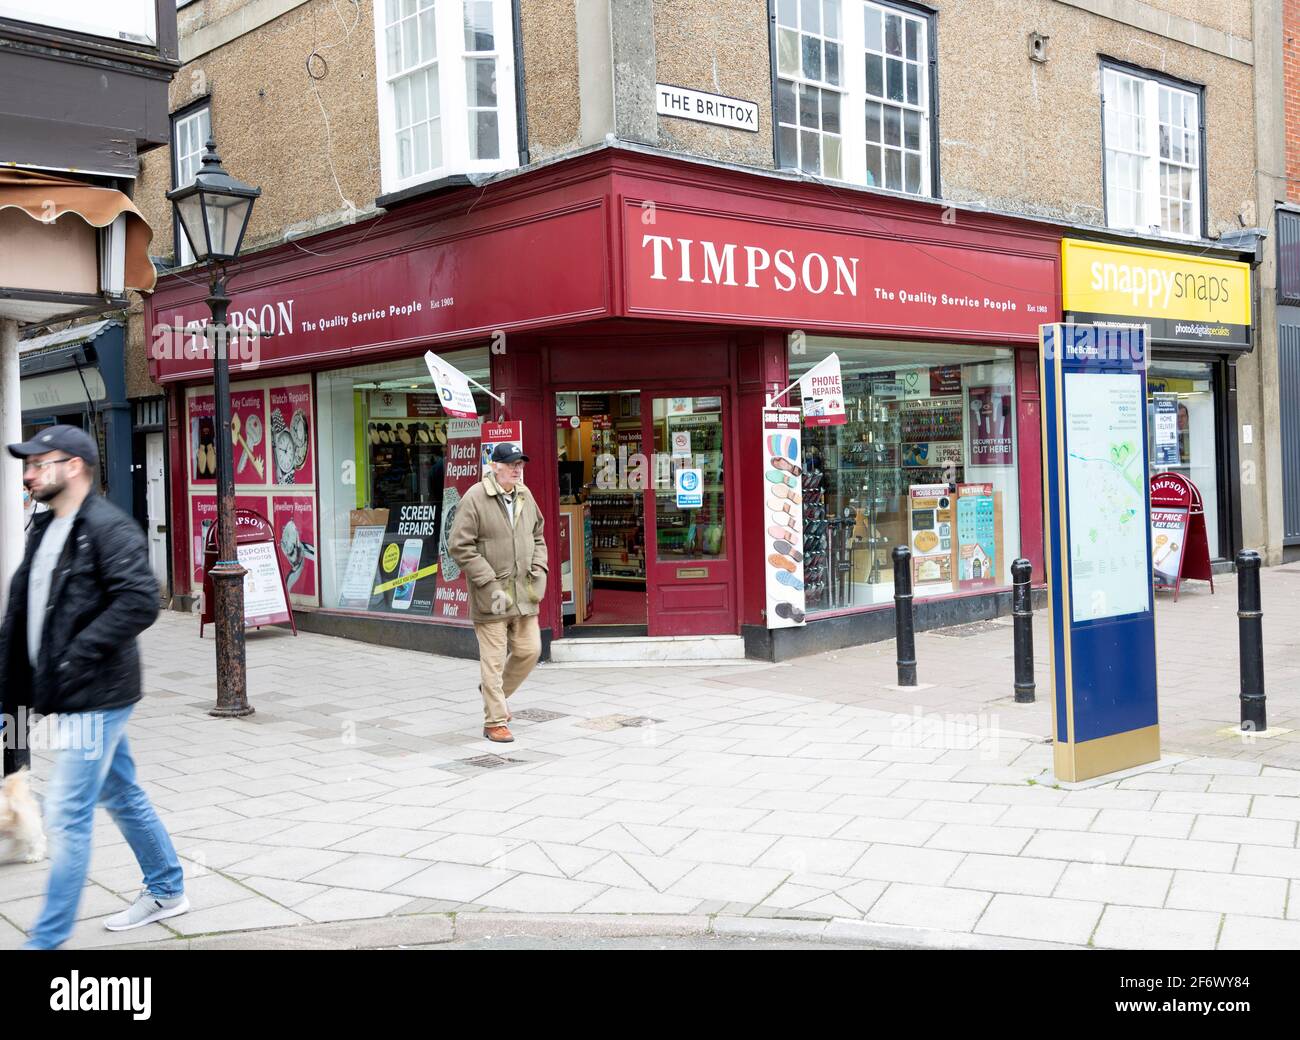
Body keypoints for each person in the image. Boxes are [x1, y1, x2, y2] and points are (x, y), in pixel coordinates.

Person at [1, 425, 187, 948]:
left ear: (75, 466)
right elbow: (22, 615)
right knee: (121, 791)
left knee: (68, 812)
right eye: (29, 464)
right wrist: (9, 698)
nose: (30, 473)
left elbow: (140, 600)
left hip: (97, 695)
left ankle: (45, 942)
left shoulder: (108, 528)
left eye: (41, 463)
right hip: (66, 692)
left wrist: (73, 658)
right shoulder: (43, 527)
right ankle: (168, 889)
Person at [447, 441, 547, 743]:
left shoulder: (525, 495)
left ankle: (496, 694)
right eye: (512, 464)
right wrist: (489, 582)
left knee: (531, 650)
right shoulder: (475, 498)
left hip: (524, 593)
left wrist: (539, 570)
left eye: (521, 464)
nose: (518, 469)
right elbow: (458, 545)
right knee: (491, 661)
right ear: (495, 466)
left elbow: (538, 535)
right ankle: (495, 722)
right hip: (491, 596)